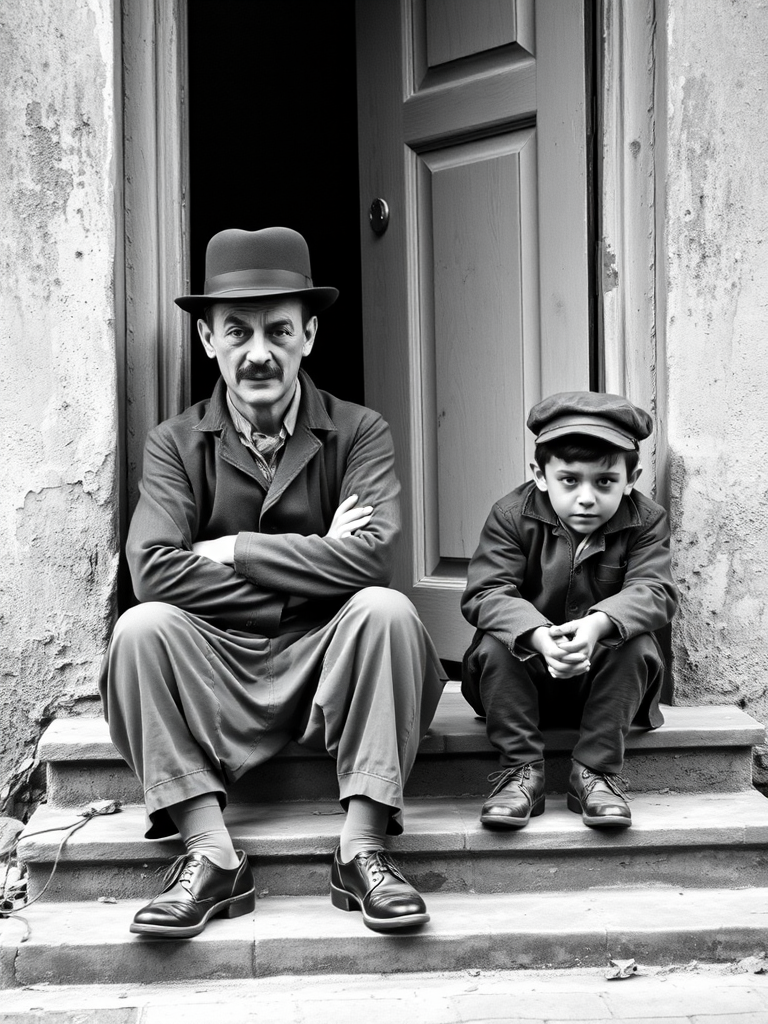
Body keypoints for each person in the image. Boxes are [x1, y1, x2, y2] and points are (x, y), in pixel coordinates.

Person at [99, 226, 445, 938]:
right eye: (237, 331)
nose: (259, 353)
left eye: (278, 330)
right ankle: (210, 852)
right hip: (216, 665)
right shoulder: (174, 441)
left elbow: (373, 559)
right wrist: (316, 558)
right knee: (140, 628)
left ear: (309, 335)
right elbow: (153, 569)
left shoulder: (360, 431)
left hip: (329, 658)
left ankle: (363, 848)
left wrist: (231, 549)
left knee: (383, 611)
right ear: (207, 341)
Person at [461, 392, 678, 831]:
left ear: (630, 478)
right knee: (495, 643)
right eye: (569, 480)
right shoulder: (509, 515)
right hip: (526, 681)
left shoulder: (646, 519)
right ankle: (522, 771)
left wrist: (599, 625)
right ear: (540, 476)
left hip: (602, 684)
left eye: (604, 482)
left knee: (637, 643)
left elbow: (655, 590)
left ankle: (594, 773)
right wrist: (538, 636)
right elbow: (487, 592)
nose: (586, 498)